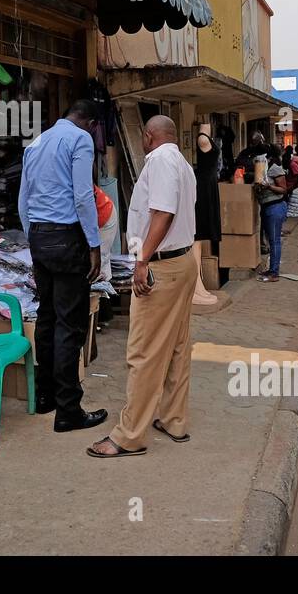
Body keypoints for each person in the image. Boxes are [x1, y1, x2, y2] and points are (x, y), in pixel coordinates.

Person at [88, 115, 197, 458]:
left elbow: (162, 213)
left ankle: (130, 435)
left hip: (161, 266)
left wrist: (141, 261)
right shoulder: (180, 162)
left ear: (149, 136)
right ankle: (173, 419)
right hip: (180, 263)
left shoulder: (162, 161)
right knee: (176, 346)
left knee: (144, 352)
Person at [17, 100, 106, 433]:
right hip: (67, 237)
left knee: (47, 317)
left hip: (39, 235)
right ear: (90, 122)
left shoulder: (37, 141)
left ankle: (45, 397)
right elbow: (83, 195)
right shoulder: (79, 139)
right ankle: (68, 410)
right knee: (70, 324)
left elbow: (23, 199)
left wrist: (34, 237)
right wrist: (93, 245)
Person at [192, 123, 221, 304]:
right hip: (203, 188)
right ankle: (196, 286)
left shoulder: (206, 138)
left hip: (208, 185)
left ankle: (199, 284)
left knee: (200, 239)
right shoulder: (202, 139)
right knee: (198, 235)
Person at [256, 153, 290, 283]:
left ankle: (274, 273)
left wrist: (268, 186)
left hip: (275, 207)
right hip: (266, 207)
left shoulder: (274, 168)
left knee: (275, 241)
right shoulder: (260, 170)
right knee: (271, 240)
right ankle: (271, 270)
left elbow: (283, 189)